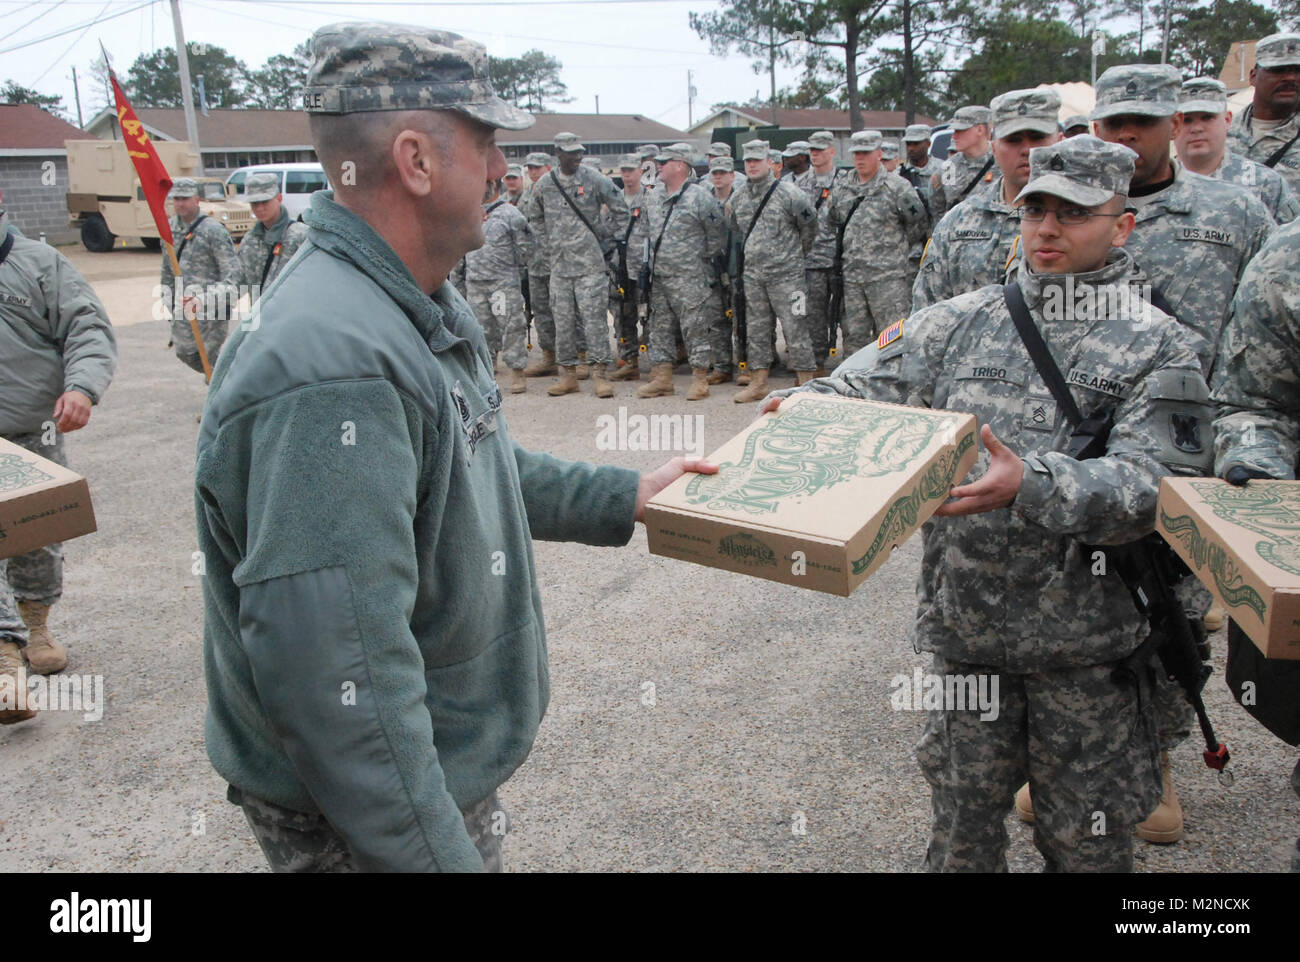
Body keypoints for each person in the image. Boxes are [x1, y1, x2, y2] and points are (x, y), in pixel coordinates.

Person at [198, 21, 713, 872]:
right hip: (369, 812)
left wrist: (625, 497)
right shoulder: (337, 366)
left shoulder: (398, 299)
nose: (506, 170)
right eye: (488, 143)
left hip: (418, 771)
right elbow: (341, 689)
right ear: (416, 160)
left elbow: (468, 465)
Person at [766, 135, 1214, 872]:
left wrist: (1034, 483)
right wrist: (796, 409)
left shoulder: (1161, 347)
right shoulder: (957, 321)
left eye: (1072, 214)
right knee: (961, 835)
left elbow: (1162, 487)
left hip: (1091, 654)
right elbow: (852, 389)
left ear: (1122, 225)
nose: (1046, 229)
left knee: (1088, 843)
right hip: (969, 635)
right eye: (1034, 209)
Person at [0, 188, 117, 723]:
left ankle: (35, 623)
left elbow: (87, 328)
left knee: (35, 541)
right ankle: (5, 655)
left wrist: (82, 387)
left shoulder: (41, 264)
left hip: (31, 434)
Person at [913, 88, 1062, 312]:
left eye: (1037, 137)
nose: (1027, 150)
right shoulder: (957, 223)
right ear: (994, 146)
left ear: (1060, 141)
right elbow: (925, 318)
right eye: (1013, 140)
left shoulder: (1089, 221)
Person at [526, 131, 628, 397]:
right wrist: (548, 245)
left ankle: (600, 375)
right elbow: (534, 216)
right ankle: (568, 375)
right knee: (563, 323)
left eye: (579, 152)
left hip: (590, 266)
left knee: (594, 321)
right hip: (559, 268)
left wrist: (608, 239)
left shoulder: (593, 178)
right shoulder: (546, 184)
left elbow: (621, 208)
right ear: (558, 153)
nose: (577, 156)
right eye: (570, 152)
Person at [635, 144, 727, 401]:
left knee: (695, 327)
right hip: (659, 276)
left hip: (690, 276)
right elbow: (647, 232)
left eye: (665, 162)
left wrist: (695, 260)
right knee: (659, 328)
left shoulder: (700, 197)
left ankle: (699, 378)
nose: (659, 166)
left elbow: (717, 236)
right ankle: (662, 378)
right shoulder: (653, 197)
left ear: (681, 166)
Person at [729, 138, 817, 403]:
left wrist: (792, 256)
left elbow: (810, 227)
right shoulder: (738, 197)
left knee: (796, 327)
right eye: (748, 161)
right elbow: (736, 230)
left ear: (770, 162)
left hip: (788, 275)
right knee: (756, 328)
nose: (752, 165)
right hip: (754, 276)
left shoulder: (790, 193)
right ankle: (758, 382)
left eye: (757, 160)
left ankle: (807, 382)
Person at [828, 130, 928, 357]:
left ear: (879, 154)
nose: (860, 159)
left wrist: (892, 249)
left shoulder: (897, 187)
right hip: (852, 278)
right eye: (856, 154)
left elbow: (917, 224)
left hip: (888, 278)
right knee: (855, 338)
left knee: (893, 337)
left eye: (866, 153)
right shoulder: (843, 188)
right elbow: (832, 219)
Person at [1174, 77, 1298, 224]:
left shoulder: (1267, 184)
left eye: (1207, 118)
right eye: (1187, 120)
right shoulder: (1152, 183)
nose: (1196, 128)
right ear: (1173, 125)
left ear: (1227, 121)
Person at [159, 177, 240, 374]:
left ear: (197, 199)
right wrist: (169, 301)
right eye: (176, 199)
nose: (180, 204)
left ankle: (222, 396)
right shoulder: (168, 229)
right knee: (185, 352)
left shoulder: (213, 230)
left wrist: (210, 300)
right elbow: (167, 271)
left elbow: (232, 275)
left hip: (211, 308)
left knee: (209, 357)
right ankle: (226, 383)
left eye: (185, 199)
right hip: (183, 307)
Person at [463, 177, 534, 392]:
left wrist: (513, 271)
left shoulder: (510, 213)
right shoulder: (467, 212)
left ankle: (517, 371)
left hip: (502, 282)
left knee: (511, 327)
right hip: (475, 282)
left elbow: (527, 248)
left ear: (493, 185)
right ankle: (487, 369)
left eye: (484, 183)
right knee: (480, 330)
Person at [1226, 32, 1300, 194]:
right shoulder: (1219, 136)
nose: (1290, 77)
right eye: (1278, 70)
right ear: (1253, 76)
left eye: (1297, 70)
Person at [803, 130, 849, 374]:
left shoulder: (846, 181)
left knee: (847, 315)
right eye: (812, 150)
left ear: (832, 151)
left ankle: (851, 364)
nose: (815, 154)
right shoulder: (799, 184)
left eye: (820, 149)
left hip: (840, 259)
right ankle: (817, 363)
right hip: (812, 261)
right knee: (814, 314)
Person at [607, 154, 650, 382]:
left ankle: (658, 362)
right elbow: (605, 231)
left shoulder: (650, 199)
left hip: (643, 268)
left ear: (641, 171)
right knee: (623, 318)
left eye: (631, 170)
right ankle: (629, 360)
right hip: (619, 268)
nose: (627, 174)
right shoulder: (614, 200)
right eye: (623, 170)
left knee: (651, 317)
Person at [234, 172, 309, 303]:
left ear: (279, 198)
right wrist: (204, 299)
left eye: (265, 201)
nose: (259, 208)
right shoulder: (250, 240)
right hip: (262, 319)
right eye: (254, 203)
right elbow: (237, 283)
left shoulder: (301, 236)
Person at [519, 152, 558, 377]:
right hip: (534, 263)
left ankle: (576, 357)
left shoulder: (555, 192)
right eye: (530, 168)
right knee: (541, 311)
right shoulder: (526, 195)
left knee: (564, 312)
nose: (533, 172)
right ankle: (548, 356)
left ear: (548, 168)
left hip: (556, 262)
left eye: (537, 168)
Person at [930, 106, 993, 221]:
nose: (954, 136)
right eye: (954, 131)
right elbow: (937, 209)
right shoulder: (948, 168)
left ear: (980, 129)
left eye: (961, 131)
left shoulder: (1003, 162)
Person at [707, 155, 739, 385]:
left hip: (737, 265)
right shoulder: (704, 199)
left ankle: (746, 364)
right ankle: (722, 365)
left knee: (742, 318)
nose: (718, 177)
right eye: (714, 173)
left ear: (732, 175)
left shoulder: (741, 198)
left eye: (722, 173)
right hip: (712, 268)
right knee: (716, 319)